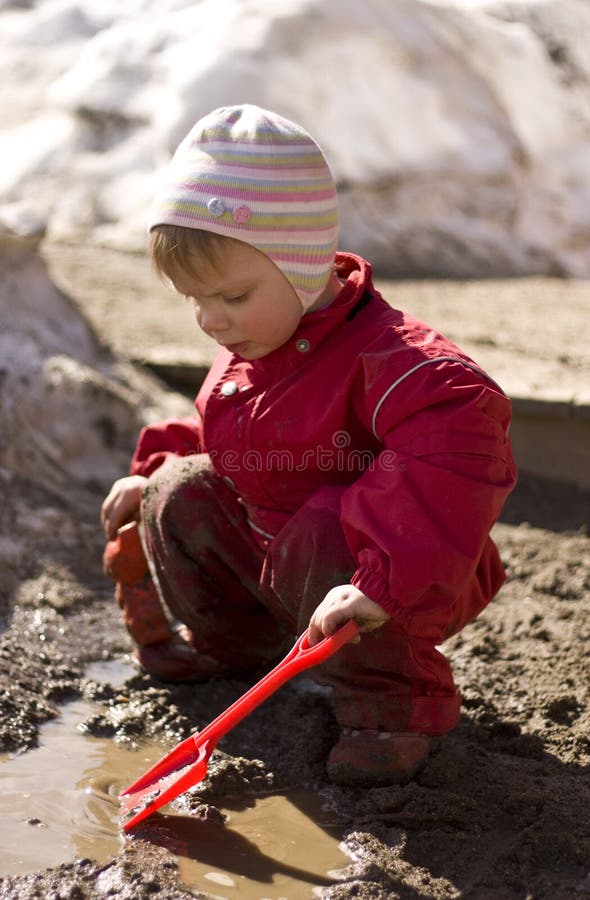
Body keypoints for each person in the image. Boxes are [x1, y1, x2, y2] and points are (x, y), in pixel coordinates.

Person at [101, 104, 516, 787]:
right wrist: (159, 471)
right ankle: (244, 652)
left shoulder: (395, 361)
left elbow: (456, 450)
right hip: (282, 560)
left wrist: (379, 582)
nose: (210, 320)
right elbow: (238, 433)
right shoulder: (259, 336)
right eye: (193, 299)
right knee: (180, 489)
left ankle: (393, 701)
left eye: (231, 294)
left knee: (324, 526)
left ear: (304, 263)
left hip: (393, 568)